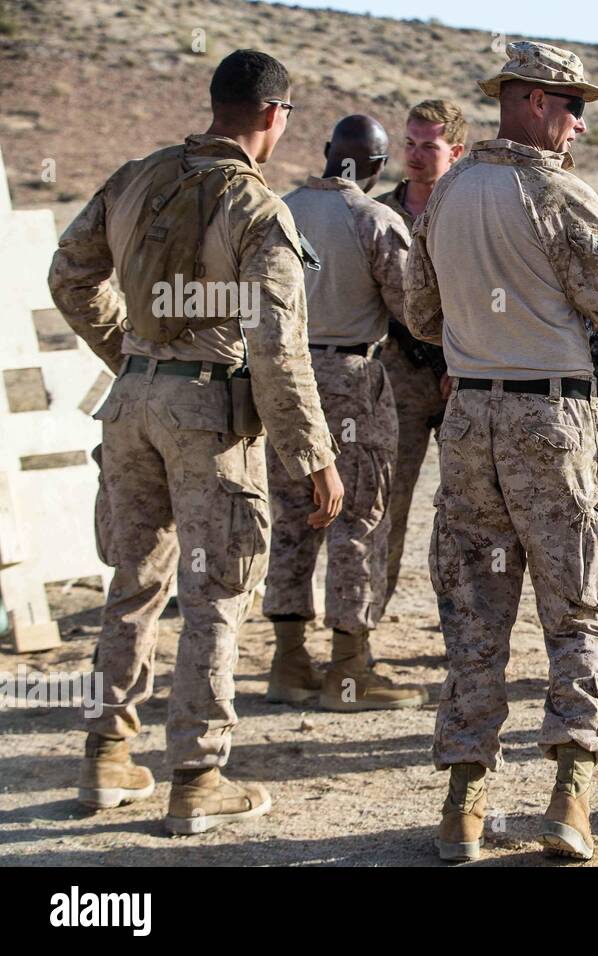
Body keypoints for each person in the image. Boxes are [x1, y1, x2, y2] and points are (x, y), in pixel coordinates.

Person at [403, 41, 598, 863]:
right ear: (536, 100)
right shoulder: (560, 193)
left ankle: (463, 809)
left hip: (470, 420)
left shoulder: (447, 194)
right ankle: (569, 799)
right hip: (556, 422)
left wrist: (485, 338)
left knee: (474, 611)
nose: (580, 124)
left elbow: (418, 313)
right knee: (577, 607)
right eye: (573, 105)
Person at [47, 49, 342, 834]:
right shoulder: (257, 209)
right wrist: (312, 453)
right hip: (207, 414)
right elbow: (279, 348)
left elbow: (70, 274)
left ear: (216, 103)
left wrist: (133, 359)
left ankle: (108, 756)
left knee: (134, 583)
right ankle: (197, 777)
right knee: (215, 593)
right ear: (275, 115)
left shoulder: (136, 175)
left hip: (132, 404)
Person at [266, 114, 425, 711]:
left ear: (328, 150)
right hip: (351, 381)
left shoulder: (276, 211)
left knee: (290, 513)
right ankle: (348, 670)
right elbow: (415, 311)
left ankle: (287, 661)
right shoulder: (375, 221)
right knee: (358, 519)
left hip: (280, 377)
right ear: (380, 166)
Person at [374, 99, 466, 616]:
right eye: (408, 143)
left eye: (427, 146)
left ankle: (465, 626)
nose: (413, 155)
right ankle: (364, 625)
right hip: (397, 382)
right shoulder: (380, 213)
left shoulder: (470, 212)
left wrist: (460, 358)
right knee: (387, 505)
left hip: (464, 380)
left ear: (455, 151)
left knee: (466, 512)